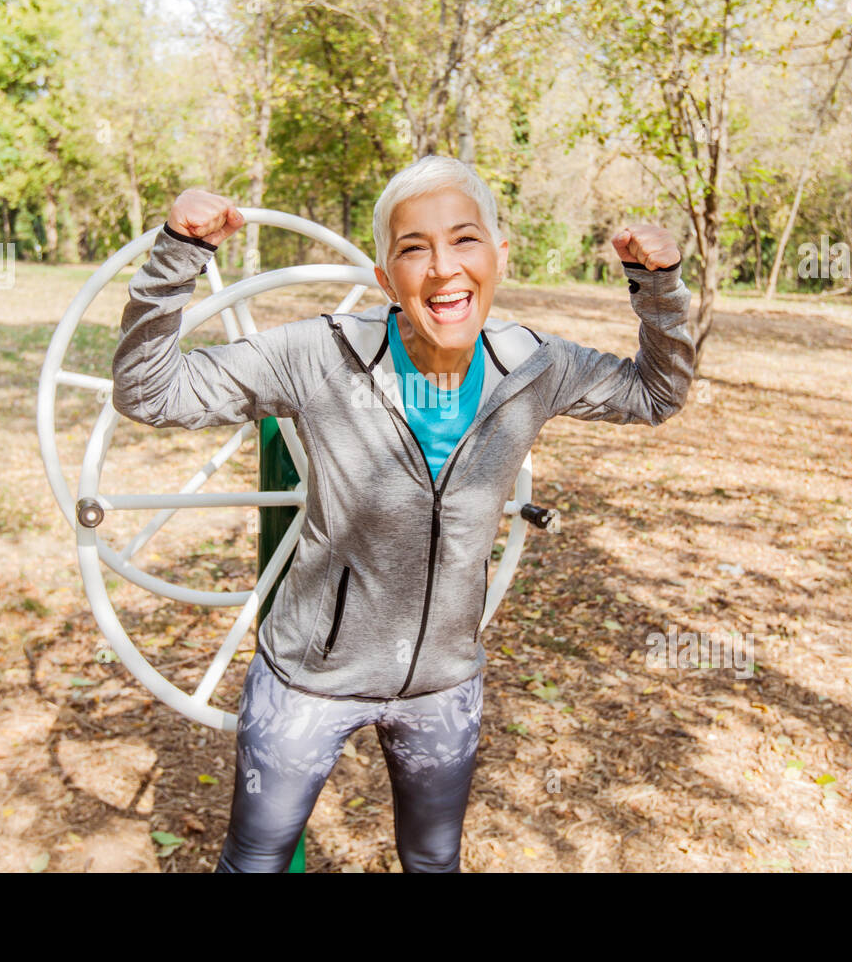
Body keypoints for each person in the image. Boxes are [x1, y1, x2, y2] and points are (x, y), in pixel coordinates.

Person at [111, 155, 694, 872]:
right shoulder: (320, 356)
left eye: (464, 240)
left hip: (443, 685)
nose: (443, 269)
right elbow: (148, 391)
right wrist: (178, 253)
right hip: (307, 682)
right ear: (386, 280)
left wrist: (659, 287)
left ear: (500, 258)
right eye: (414, 249)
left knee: (432, 860)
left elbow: (656, 394)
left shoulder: (536, 367)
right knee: (256, 860)